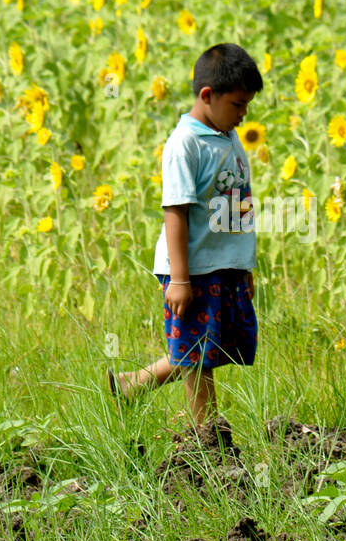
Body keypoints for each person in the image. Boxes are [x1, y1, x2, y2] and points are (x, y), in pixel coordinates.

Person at [107, 43, 263, 424]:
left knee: (222, 343)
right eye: (238, 105)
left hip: (224, 265)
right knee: (199, 353)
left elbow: (240, 200)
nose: (243, 115)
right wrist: (179, 278)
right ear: (208, 96)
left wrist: (244, 267)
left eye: (246, 106)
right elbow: (175, 211)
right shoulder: (185, 145)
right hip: (193, 268)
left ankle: (135, 383)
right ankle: (205, 438)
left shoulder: (227, 137)